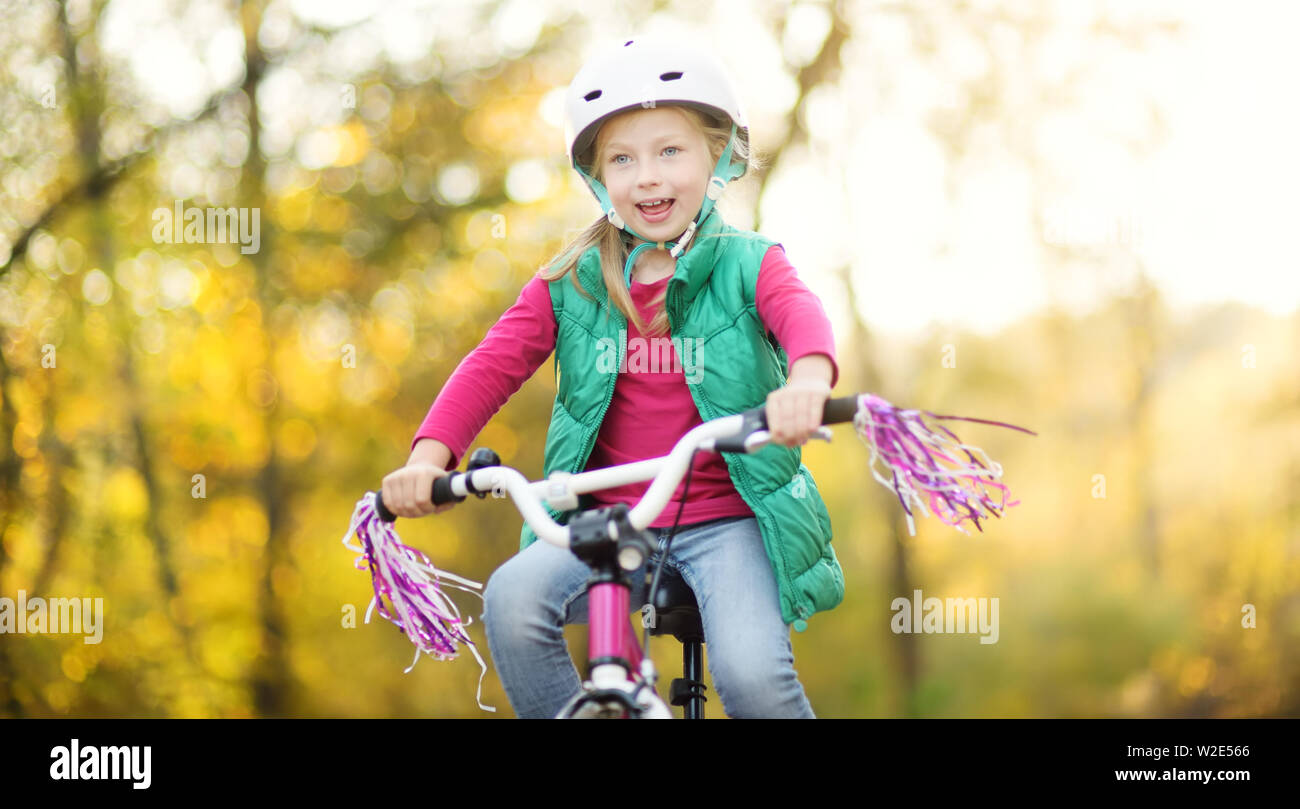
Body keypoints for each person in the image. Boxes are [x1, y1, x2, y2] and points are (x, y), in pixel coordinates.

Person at [381, 35, 845, 718]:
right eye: (622, 160)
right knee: (511, 601)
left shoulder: (749, 262)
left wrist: (807, 380)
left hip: (726, 519)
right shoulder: (571, 283)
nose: (647, 177)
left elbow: (799, 313)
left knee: (751, 675)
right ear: (599, 178)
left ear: (717, 153)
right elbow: (493, 364)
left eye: (669, 151)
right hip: (605, 524)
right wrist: (428, 457)